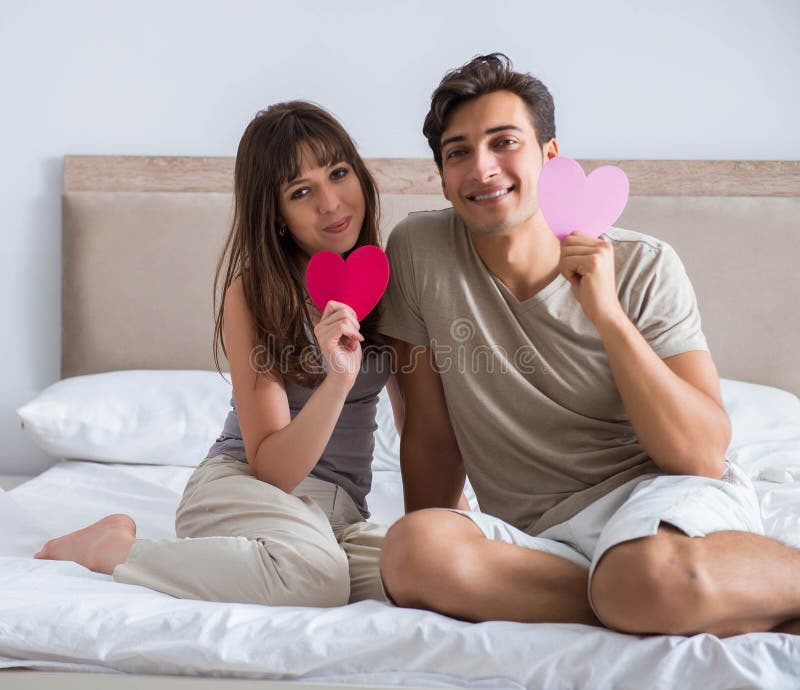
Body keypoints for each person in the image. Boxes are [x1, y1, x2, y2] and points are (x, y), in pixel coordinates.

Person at [377, 53, 800, 636]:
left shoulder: (644, 265)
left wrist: (607, 315)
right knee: (409, 553)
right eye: (458, 153)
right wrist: (440, 554)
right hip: (537, 541)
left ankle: (666, 587)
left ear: (550, 157)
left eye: (504, 142)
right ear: (444, 179)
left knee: (641, 574)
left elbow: (700, 457)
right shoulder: (417, 252)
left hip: (663, 504)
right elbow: (429, 433)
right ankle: (646, 599)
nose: (482, 168)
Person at [35, 101, 401, 607]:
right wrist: (337, 381)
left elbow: (424, 432)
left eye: (339, 173)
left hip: (338, 518)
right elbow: (273, 469)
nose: (331, 203)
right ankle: (115, 549)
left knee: (426, 573)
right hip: (245, 489)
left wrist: (458, 528)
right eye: (301, 192)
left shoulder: (391, 283)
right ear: (275, 214)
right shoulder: (255, 295)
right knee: (317, 578)